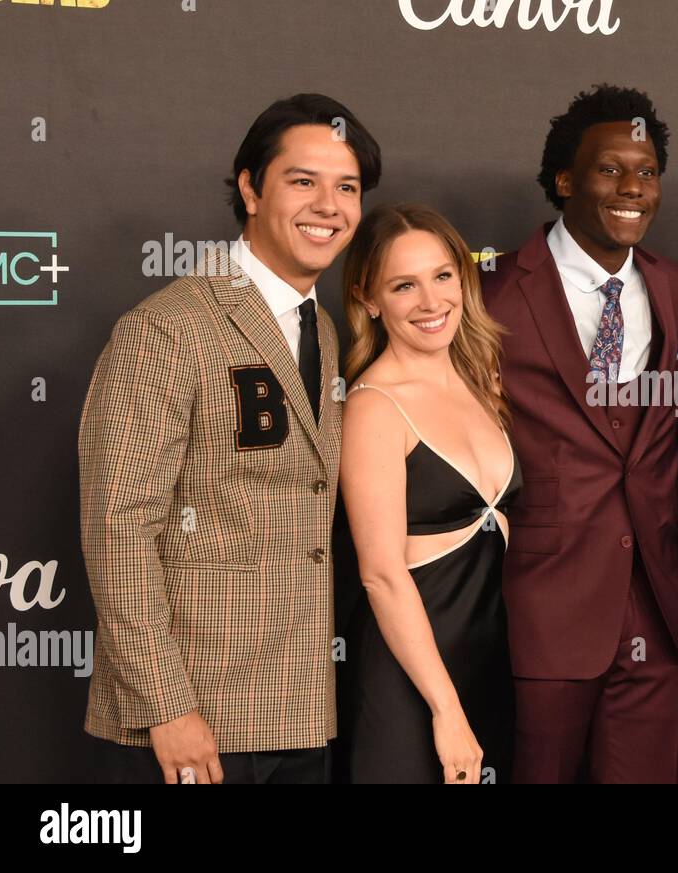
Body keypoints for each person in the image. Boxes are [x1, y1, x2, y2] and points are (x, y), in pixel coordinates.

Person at [79, 93, 381, 784]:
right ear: (249, 187)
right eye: (303, 181)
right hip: (191, 725)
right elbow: (117, 528)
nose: (328, 206)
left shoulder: (325, 332)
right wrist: (167, 707)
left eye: (347, 188)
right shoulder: (166, 329)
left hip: (298, 710)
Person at [482, 84, 678, 783]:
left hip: (657, 609)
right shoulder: (487, 292)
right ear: (565, 178)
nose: (632, 187)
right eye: (610, 169)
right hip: (543, 606)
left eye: (646, 171)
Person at [340, 205, 518, 784]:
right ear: (370, 299)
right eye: (403, 285)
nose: (430, 301)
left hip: (486, 666)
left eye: (443, 276)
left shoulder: (481, 377)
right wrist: (445, 710)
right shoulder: (374, 407)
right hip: (410, 682)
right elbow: (381, 575)